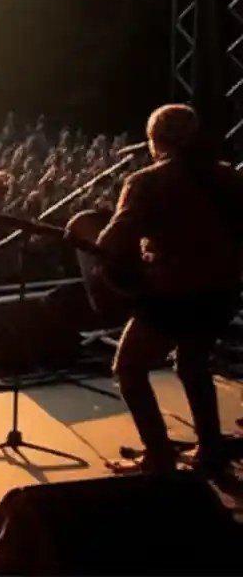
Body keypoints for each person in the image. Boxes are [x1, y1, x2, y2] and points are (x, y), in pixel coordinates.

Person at [87, 104, 242, 474]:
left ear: (155, 140)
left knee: (129, 367)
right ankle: (210, 450)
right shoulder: (231, 179)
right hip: (222, 294)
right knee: (193, 362)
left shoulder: (146, 182)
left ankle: (158, 455)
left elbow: (113, 240)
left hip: (172, 295)